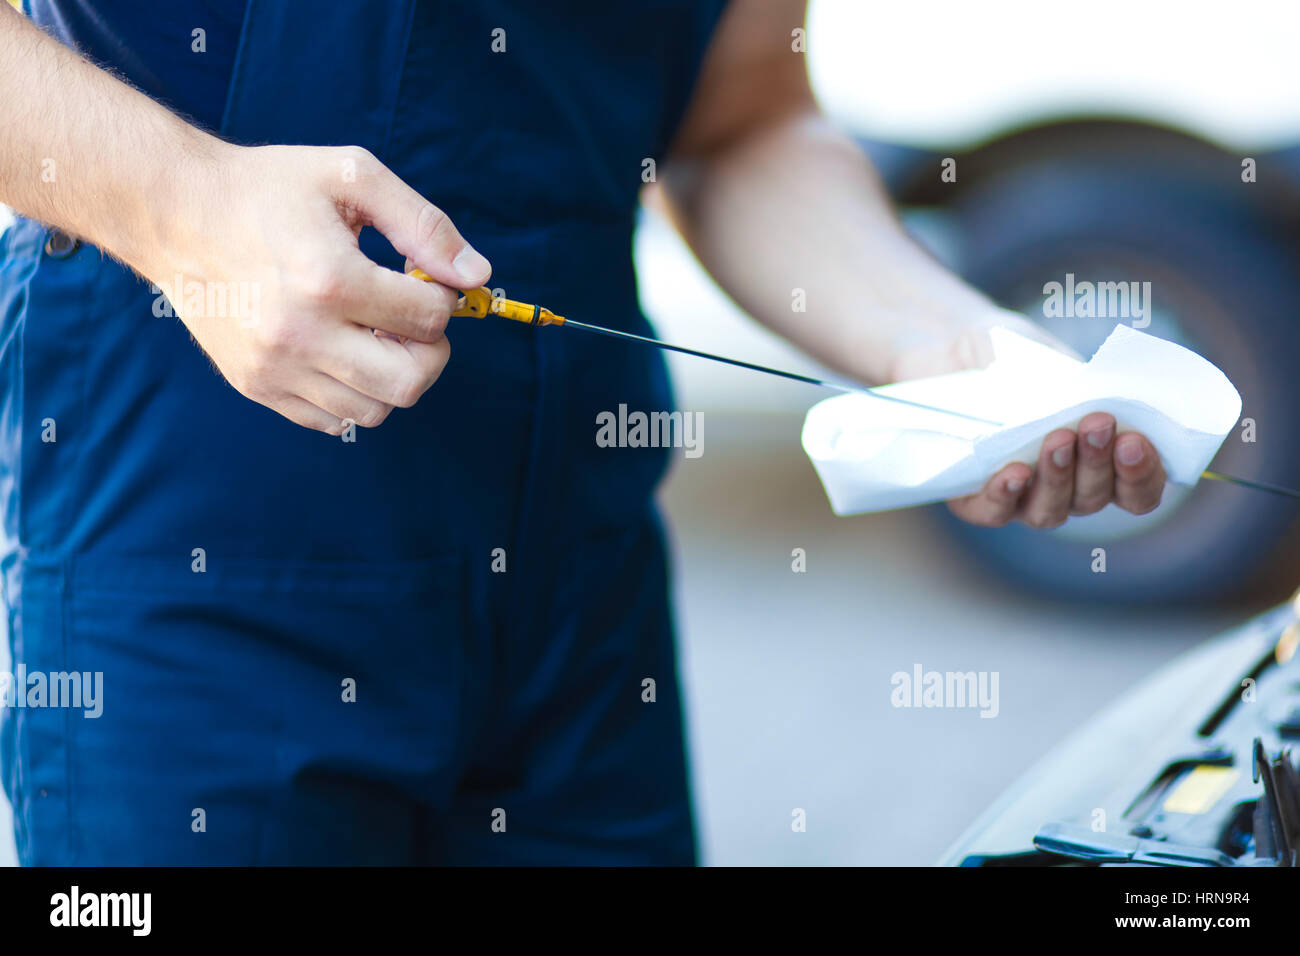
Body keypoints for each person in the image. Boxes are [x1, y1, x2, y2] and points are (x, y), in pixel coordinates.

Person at [0, 0, 1165, 864]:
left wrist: (951, 351)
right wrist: (185, 208)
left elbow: (743, 119)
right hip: (189, 547)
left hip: (577, 598)